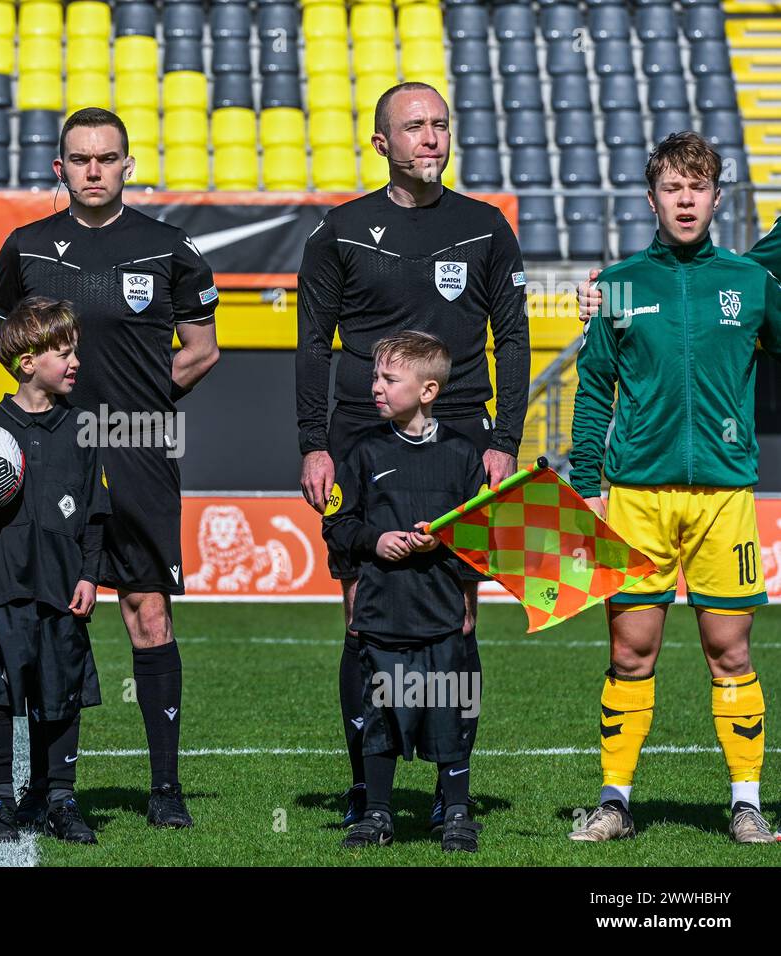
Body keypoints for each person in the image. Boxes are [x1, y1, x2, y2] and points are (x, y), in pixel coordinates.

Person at [296, 82, 529, 828]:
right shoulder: (339, 230)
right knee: (365, 619)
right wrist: (312, 444)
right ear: (382, 144)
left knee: (458, 622)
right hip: (360, 438)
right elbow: (312, 343)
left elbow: (514, 338)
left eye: (441, 125)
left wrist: (504, 442)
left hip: (463, 436)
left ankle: (450, 799)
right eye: (415, 127)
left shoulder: (486, 227)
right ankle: (370, 795)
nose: (431, 138)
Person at [0, 107, 220, 828]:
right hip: (48, 456)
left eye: (107, 158)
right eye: (80, 159)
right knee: (48, 615)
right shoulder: (24, 248)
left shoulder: (169, 247)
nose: (94, 170)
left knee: (147, 609)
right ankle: (49, 789)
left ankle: (166, 789)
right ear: (60, 168)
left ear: (128, 165)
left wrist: (144, 404)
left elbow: (202, 349)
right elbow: (10, 342)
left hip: (138, 451)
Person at [568, 132, 781, 844]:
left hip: (726, 497)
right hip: (635, 498)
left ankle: (746, 804)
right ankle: (614, 802)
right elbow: (595, 387)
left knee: (732, 651)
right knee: (632, 653)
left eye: (698, 187)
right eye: (672, 188)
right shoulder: (620, 283)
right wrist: (585, 482)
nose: (685, 200)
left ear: (717, 198)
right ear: (653, 197)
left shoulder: (752, 283)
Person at [0, 297, 109, 845]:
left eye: (74, 352)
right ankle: (2, 802)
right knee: (1, 689)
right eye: (64, 353)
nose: (74, 362)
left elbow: (95, 513)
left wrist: (90, 574)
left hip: (64, 585)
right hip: (5, 582)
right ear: (27, 362)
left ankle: (58, 797)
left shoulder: (83, 428)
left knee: (60, 688)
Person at [323, 332, 486, 852]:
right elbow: (337, 523)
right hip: (382, 614)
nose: (376, 387)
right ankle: (376, 813)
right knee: (381, 717)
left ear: (428, 389)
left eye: (389, 379)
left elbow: (481, 540)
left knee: (449, 712)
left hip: (440, 614)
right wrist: (377, 539)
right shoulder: (363, 451)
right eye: (375, 376)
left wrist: (447, 545)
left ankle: (456, 812)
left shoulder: (464, 455)